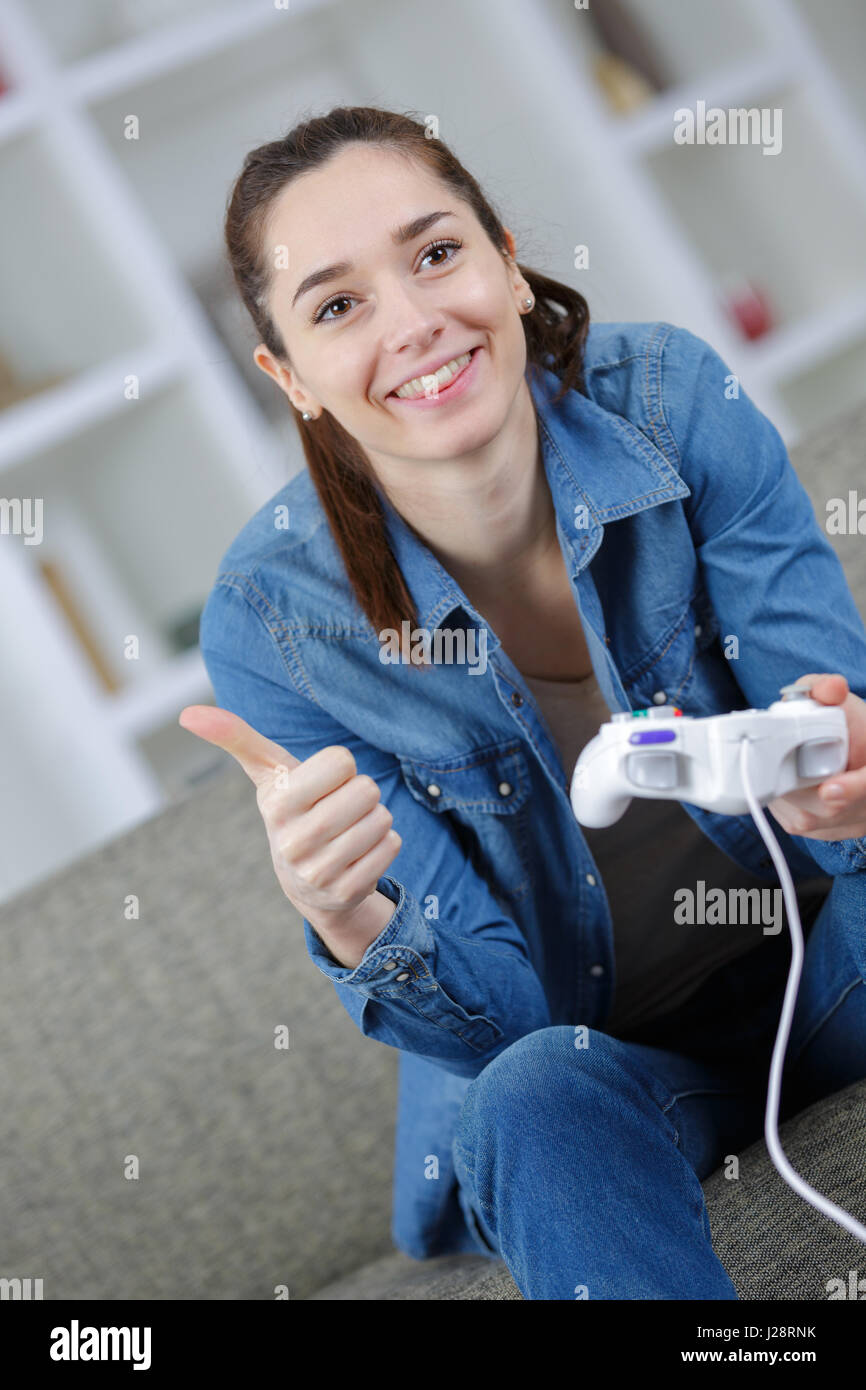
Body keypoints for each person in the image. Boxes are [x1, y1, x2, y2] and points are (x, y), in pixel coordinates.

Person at [179, 106, 866, 1300]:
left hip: (832, 960)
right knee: (529, 1096)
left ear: (503, 256)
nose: (411, 323)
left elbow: (831, 712)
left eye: (435, 253)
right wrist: (353, 921)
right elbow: (497, 1026)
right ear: (288, 377)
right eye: (336, 306)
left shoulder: (667, 398)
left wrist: (842, 769)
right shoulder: (275, 626)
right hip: (619, 1063)